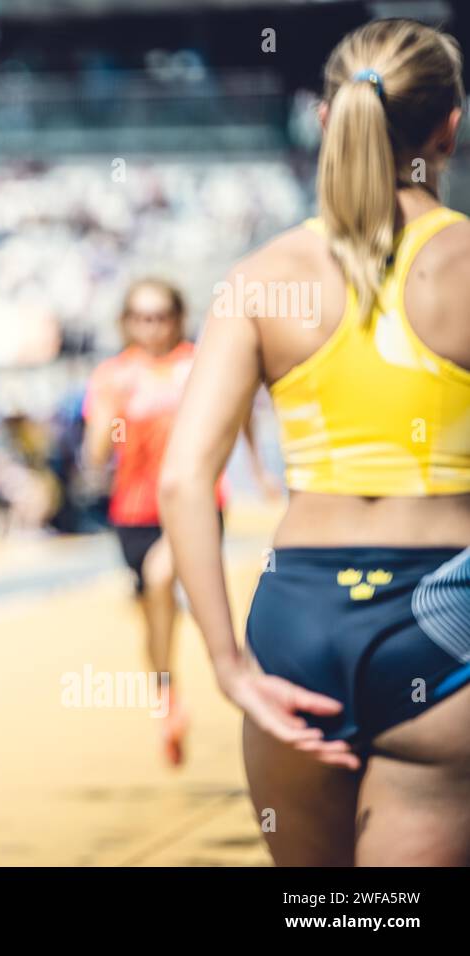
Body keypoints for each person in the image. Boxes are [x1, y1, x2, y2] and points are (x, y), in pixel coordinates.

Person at [160, 18, 470, 864]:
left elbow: (185, 481)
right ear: (450, 124)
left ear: (329, 120)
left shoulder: (262, 277)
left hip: (295, 618)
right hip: (445, 613)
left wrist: (227, 665)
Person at [83, 279, 274, 766]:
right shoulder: (114, 375)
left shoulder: (198, 364)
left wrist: (256, 469)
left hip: (195, 500)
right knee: (153, 605)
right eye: (142, 317)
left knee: (160, 576)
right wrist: (106, 424)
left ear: (177, 317)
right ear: (127, 323)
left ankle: (229, 671)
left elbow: (241, 413)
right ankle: (165, 694)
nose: (153, 326)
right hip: (135, 511)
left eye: (162, 315)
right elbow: (97, 451)